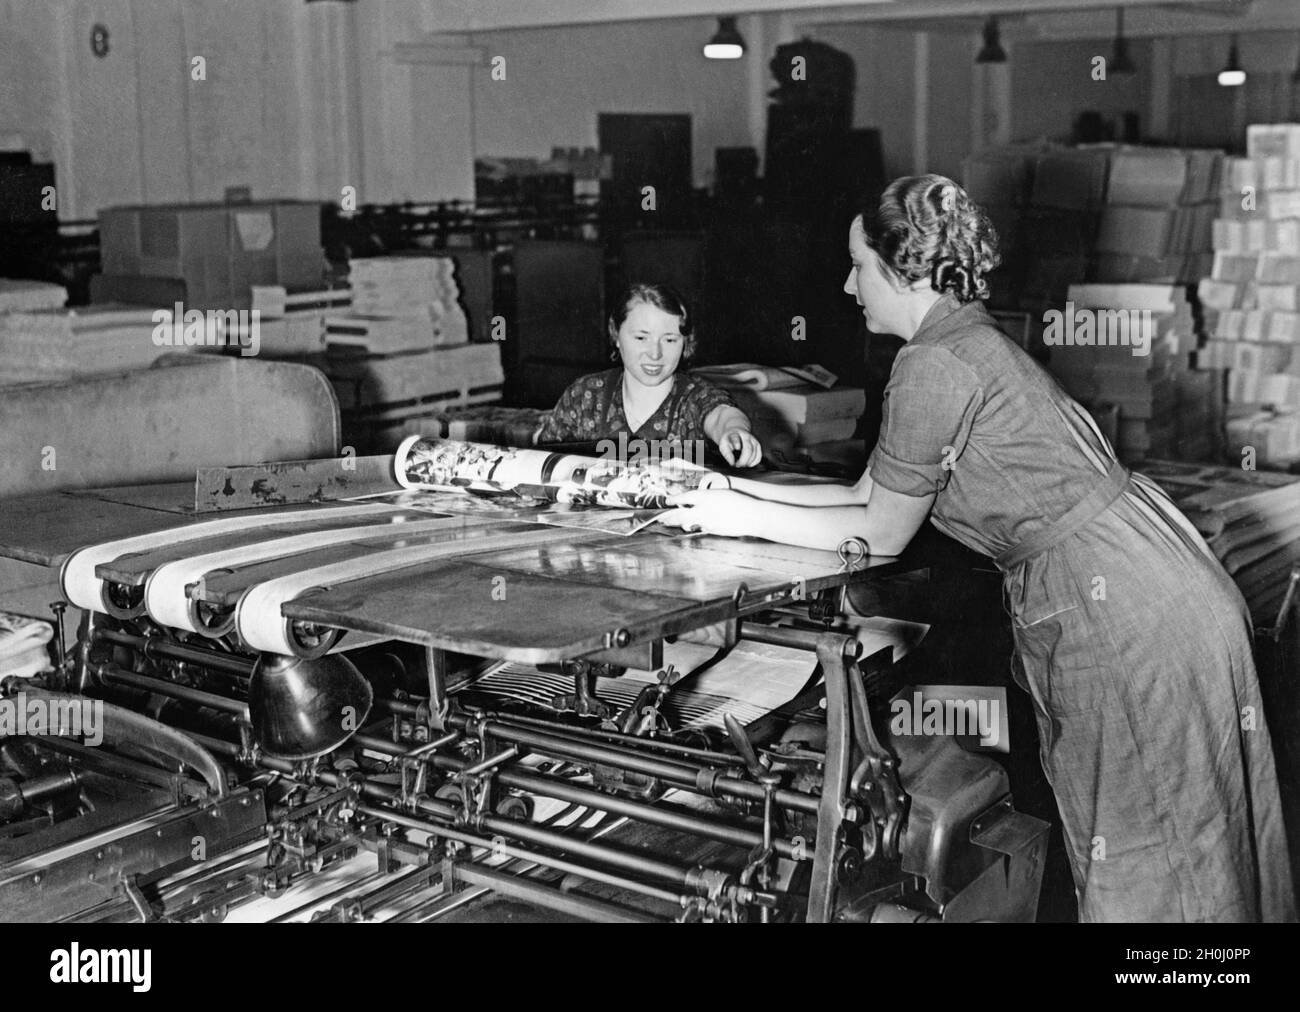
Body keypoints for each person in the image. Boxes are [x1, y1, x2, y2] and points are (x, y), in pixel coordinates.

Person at [661, 173, 1295, 923]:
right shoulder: (959, 338)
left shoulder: (934, 363)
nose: (846, 283)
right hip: (1146, 576)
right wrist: (722, 499)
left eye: (859, 264)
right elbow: (867, 497)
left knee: (1150, 851)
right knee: (1190, 835)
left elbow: (878, 534)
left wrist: (727, 512)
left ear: (909, 269)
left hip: (1125, 610)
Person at [536, 283, 762, 468]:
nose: (655, 354)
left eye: (670, 339)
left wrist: (735, 432)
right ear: (616, 334)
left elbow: (722, 414)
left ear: (685, 343)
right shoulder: (585, 395)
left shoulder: (694, 397)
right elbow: (542, 463)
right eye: (641, 338)